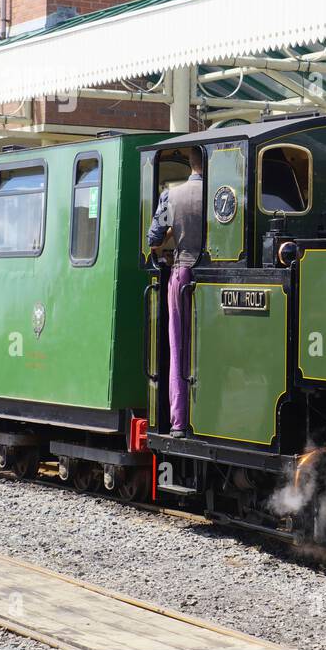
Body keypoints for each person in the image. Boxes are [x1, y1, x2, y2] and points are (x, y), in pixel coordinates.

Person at [146, 148, 204, 437]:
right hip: (214, 276)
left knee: (178, 348)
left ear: (191, 164)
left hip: (183, 273)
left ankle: (179, 422)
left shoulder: (172, 196)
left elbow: (154, 238)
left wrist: (169, 237)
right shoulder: (225, 195)